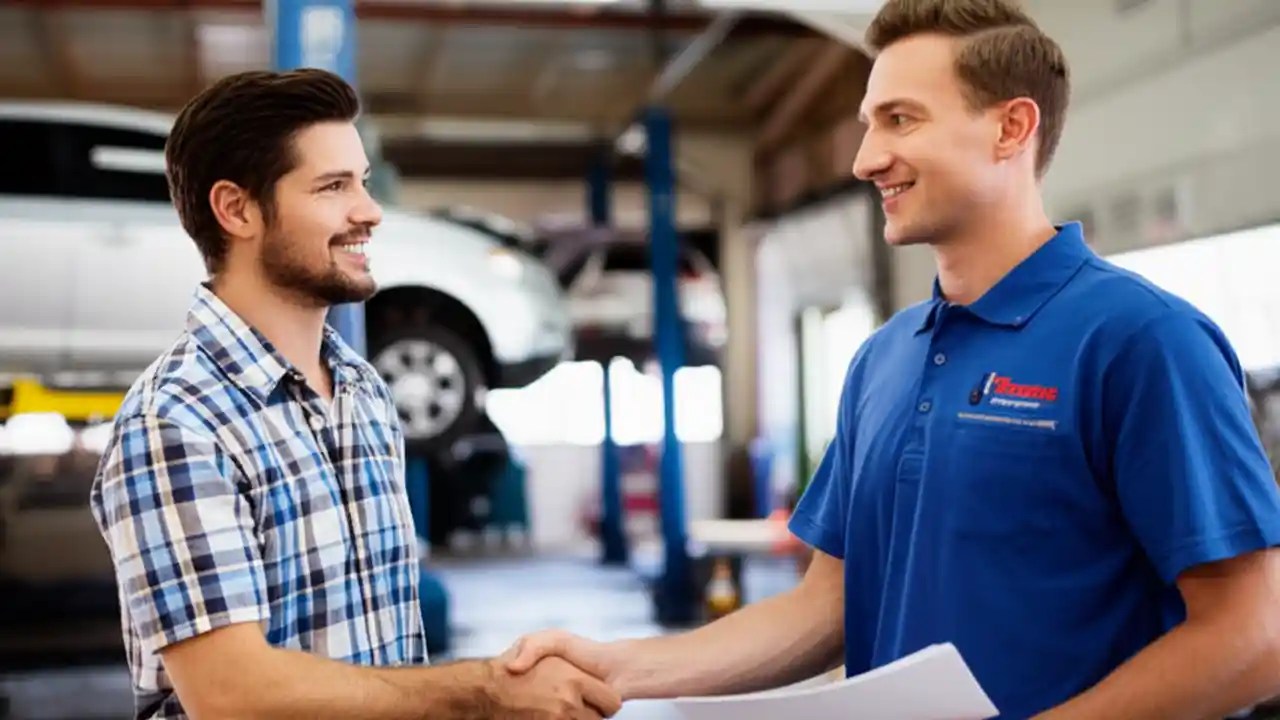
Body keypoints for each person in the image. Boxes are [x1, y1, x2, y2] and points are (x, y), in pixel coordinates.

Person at [502, 1, 1280, 718]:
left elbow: (1252, 634)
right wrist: (620, 669)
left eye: (901, 120)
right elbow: (828, 603)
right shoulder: (884, 359)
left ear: (1011, 128)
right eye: (870, 124)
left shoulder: (1141, 340)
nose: (866, 158)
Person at [88, 69, 621, 720]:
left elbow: (384, 670)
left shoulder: (363, 393)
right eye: (333, 186)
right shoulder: (175, 422)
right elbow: (232, 695)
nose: (368, 211)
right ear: (236, 210)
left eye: (362, 182)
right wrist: (483, 690)